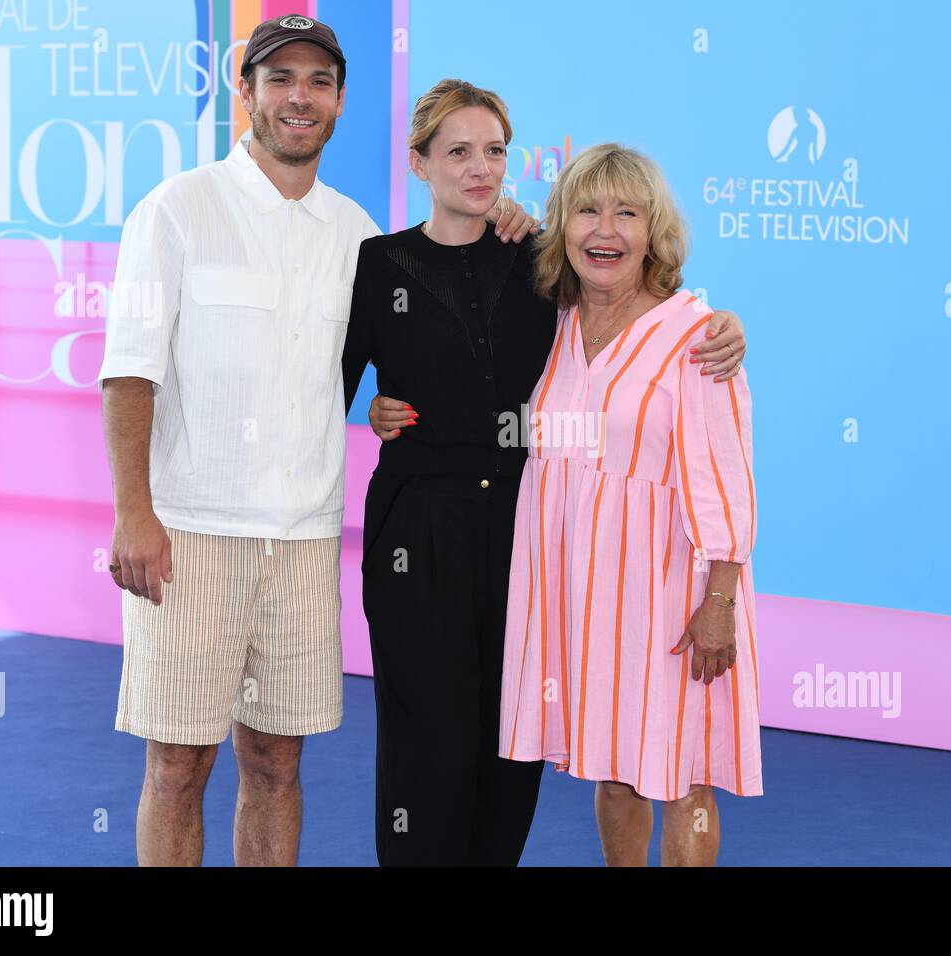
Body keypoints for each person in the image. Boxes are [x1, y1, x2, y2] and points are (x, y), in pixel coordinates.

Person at [97, 17, 534, 867]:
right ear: (247, 91)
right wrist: (133, 515)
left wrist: (382, 411)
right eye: (281, 78)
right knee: (178, 766)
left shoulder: (358, 236)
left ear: (338, 102)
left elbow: (394, 363)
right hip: (191, 535)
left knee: (276, 763)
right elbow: (128, 373)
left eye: (320, 82)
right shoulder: (176, 211)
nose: (301, 97)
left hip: (303, 541)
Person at [345, 81, 748, 866]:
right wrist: (378, 410)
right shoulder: (422, 272)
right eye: (458, 150)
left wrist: (726, 326)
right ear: (418, 161)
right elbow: (340, 382)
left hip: (602, 563)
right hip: (497, 554)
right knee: (557, 757)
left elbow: (717, 464)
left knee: (627, 757)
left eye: (494, 150)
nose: (479, 167)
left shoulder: (633, 307)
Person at [497, 143, 761, 867]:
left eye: (626, 213)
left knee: (685, 777)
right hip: (584, 594)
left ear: (654, 232)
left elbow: (725, 481)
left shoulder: (696, 338)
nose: (603, 230)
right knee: (614, 771)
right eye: (586, 210)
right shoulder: (550, 324)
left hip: (674, 590)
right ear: (562, 225)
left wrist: (720, 603)